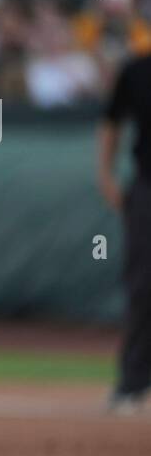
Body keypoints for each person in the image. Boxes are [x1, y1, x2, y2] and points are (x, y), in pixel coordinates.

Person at [98, 49, 151, 413]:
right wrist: (105, 173)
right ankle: (133, 383)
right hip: (148, 186)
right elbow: (111, 122)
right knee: (144, 283)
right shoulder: (136, 70)